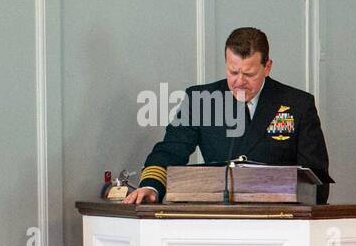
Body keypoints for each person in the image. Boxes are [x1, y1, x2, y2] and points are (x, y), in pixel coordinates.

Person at [122, 27, 332, 204]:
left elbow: (316, 179)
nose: (239, 81)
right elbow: (170, 150)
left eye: (249, 74)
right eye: (233, 72)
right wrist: (151, 186)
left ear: (267, 67)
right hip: (217, 217)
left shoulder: (298, 105)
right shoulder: (201, 100)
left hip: (278, 221)